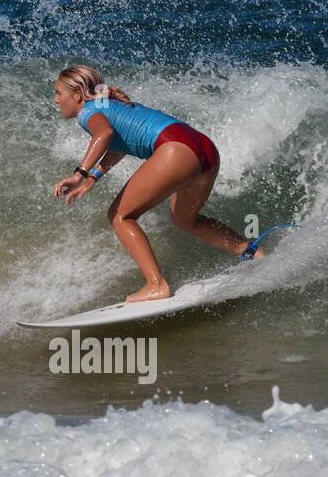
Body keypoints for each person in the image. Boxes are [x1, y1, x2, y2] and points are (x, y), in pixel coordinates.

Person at [53, 64, 263, 302]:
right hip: (202, 147)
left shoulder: (88, 112)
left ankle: (156, 284)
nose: (56, 100)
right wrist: (93, 178)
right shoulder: (109, 105)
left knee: (120, 216)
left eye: (59, 93)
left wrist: (79, 174)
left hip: (175, 149)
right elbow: (118, 145)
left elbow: (105, 135)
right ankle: (250, 251)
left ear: (77, 95)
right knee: (185, 219)